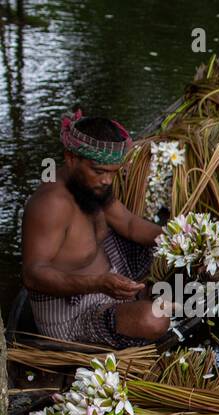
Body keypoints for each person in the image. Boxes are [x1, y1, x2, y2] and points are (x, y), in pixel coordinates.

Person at [21, 111, 171, 347]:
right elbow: (33, 275)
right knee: (156, 319)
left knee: (178, 258)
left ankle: (141, 295)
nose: (108, 181)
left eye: (113, 172)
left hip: (111, 279)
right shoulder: (51, 204)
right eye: (99, 171)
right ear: (70, 158)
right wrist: (99, 283)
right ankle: (140, 304)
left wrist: (176, 240)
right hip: (74, 316)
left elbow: (129, 224)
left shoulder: (91, 184)